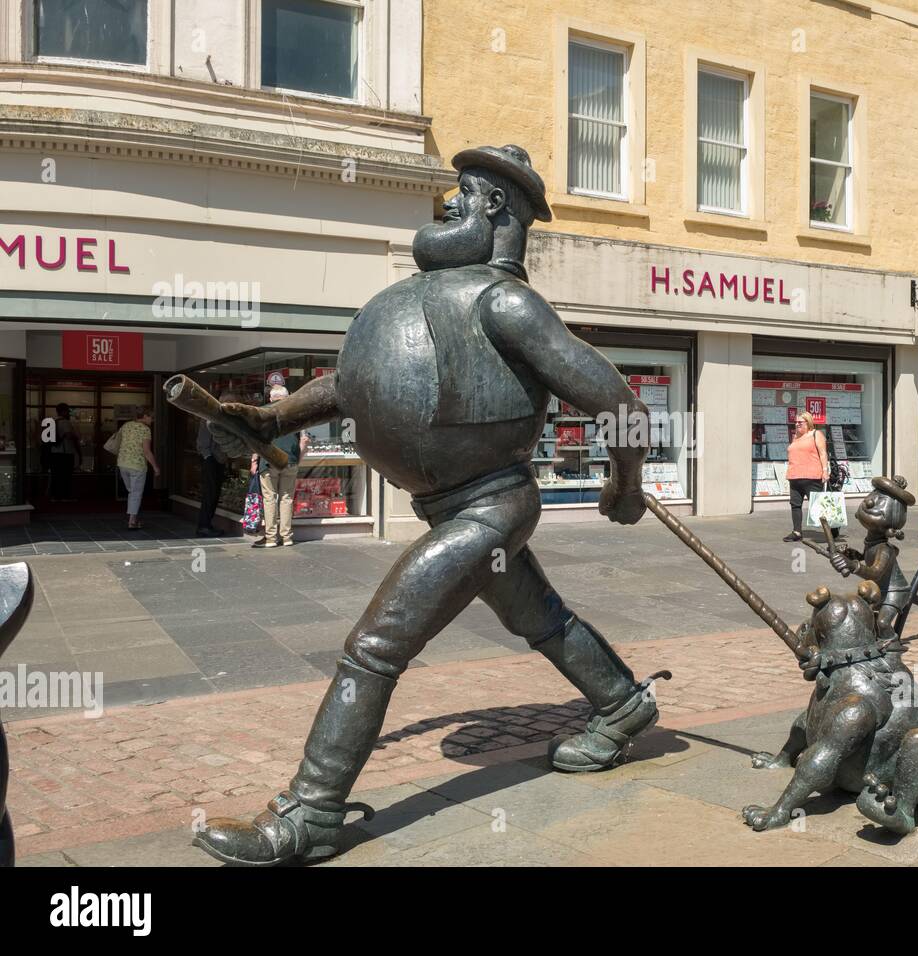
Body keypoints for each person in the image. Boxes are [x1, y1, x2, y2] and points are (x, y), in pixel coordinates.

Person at [183, 145, 666, 865]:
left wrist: (624, 488)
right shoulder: (428, 296)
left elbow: (617, 402)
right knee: (544, 619)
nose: (449, 203)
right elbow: (350, 385)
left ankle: (310, 813)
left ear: (499, 205)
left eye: (465, 192)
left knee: (375, 645)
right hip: (448, 508)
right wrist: (264, 421)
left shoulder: (504, 301)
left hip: (490, 507)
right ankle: (623, 705)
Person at [250, 385, 309, 548]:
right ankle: (287, 537)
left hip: (269, 461)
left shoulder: (261, 412)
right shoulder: (296, 413)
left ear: (270, 398)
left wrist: (254, 460)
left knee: (270, 499)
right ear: (287, 397)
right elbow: (304, 440)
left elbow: (255, 440)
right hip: (290, 461)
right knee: (286, 499)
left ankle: (270, 538)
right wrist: (297, 459)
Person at [784, 410, 830, 543]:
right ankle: (797, 531)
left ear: (808, 422)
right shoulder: (796, 437)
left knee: (818, 506)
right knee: (795, 505)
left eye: (800, 422)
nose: (797, 424)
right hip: (794, 476)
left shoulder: (816, 434)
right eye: (796, 422)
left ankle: (830, 531)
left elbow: (823, 454)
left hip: (812, 477)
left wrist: (825, 471)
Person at [195, 391, 236, 537]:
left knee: (214, 494)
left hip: (218, 459)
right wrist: (208, 457)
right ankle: (204, 526)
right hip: (211, 459)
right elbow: (203, 442)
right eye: (230, 402)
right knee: (210, 494)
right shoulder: (210, 415)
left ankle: (206, 524)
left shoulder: (225, 417)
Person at [116, 410, 160, 530]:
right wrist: (155, 467)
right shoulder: (145, 430)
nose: (153, 420)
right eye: (152, 417)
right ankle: (132, 521)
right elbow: (147, 451)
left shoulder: (126, 425)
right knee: (135, 493)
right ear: (145, 416)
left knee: (132, 492)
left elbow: (119, 442)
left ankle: (133, 518)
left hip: (122, 463)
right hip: (137, 465)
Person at [49, 403, 79, 502]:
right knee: (66, 475)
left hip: (54, 451)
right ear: (64, 411)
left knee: (56, 475)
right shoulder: (65, 422)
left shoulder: (53, 422)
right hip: (65, 452)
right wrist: (75, 436)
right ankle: (65, 496)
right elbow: (69, 436)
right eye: (67, 411)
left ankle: (54, 496)